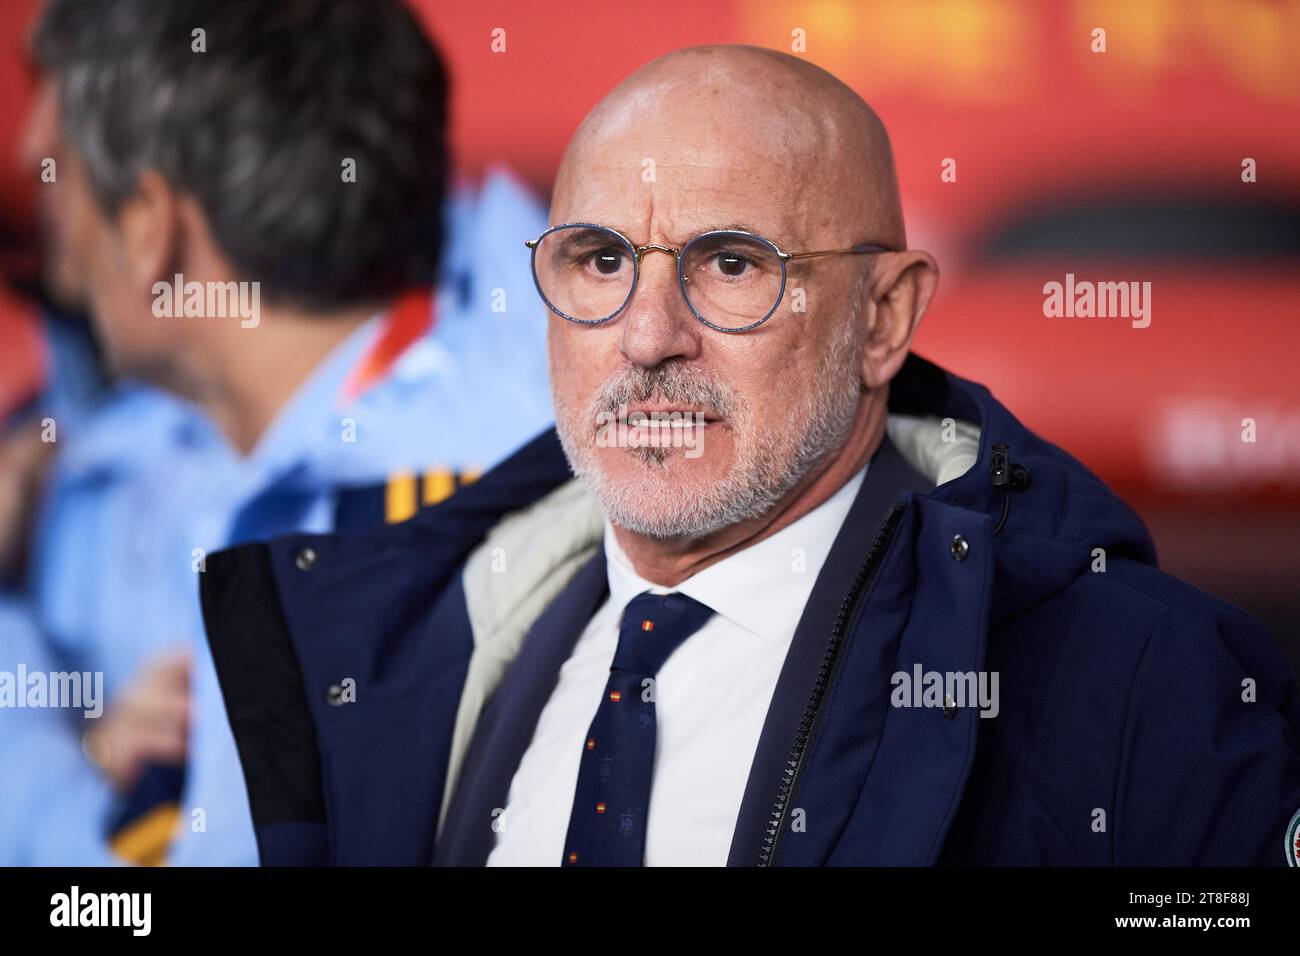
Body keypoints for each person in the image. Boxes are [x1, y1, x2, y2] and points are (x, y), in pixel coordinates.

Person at [197, 45, 1300, 866]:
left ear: (882, 318)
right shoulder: (406, 637)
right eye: (597, 259)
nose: (645, 335)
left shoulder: (1137, 684)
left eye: (730, 264)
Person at [0, 0, 552, 865]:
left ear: (151, 229)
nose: (54, 239)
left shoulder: (405, 515)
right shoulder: (489, 405)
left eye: (60, 180)